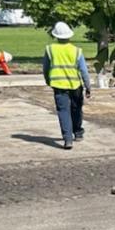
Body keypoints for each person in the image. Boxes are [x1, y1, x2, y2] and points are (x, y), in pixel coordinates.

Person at [42, 22, 91, 150]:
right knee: (76, 109)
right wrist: (88, 86)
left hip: (58, 86)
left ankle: (68, 139)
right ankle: (78, 132)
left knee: (63, 111)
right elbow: (84, 71)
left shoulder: (50, 49)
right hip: (76, 86)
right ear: (69, 35)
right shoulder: (77, 51)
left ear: (56, 36)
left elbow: (46, 68)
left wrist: (48, 80)